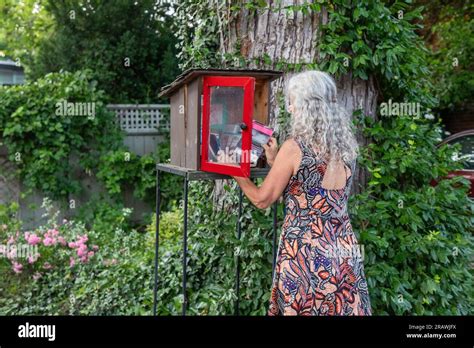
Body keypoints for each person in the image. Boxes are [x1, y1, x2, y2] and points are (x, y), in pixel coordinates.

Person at [232, 70, 372, 315]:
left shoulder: (295, 148)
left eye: (293, 102)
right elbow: (312, 190)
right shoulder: (347, 148)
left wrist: (236, 171)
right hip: (342, 250)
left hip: (305, 255)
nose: (290, 108)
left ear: (305, 107)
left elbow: (262, 199)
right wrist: (276, 161)